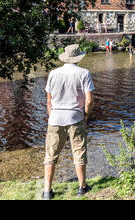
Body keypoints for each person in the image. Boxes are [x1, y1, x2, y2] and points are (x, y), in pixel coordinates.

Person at [43, 44, 95, 200]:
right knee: (79, 152)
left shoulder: (53, 73)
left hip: (55, 118)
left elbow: (49, 101)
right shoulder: (84, 73)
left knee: (51, 155)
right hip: (75, 117)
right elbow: (89, 100)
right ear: (78, 58)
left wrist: (52, 116)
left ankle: (47, 192)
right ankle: (82, 187)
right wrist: (85, 115)